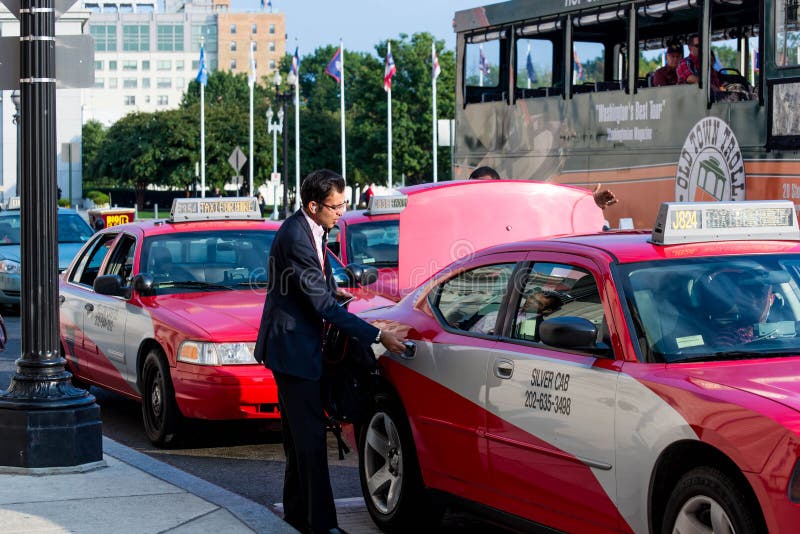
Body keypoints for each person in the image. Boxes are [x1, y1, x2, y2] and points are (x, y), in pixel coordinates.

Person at [253, 169, 406, 534]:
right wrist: (377, 336)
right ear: (313, 205)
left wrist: (331, 289)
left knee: (297, 438)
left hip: (291, 346)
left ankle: (296, 513)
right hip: (292, 350)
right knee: (309, 442)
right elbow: (322, 307)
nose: (341, 213)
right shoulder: (296, 235)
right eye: (336, 207)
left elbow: (313, 287)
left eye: (344, 205)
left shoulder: (312, 229)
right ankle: (322, 525)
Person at [466, 165, 618, 210]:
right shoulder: (460, 214)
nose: (479, 196)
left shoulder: (512, 210)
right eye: (473, 190)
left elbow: (552, 210)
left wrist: (589, 204)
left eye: (484, 189)